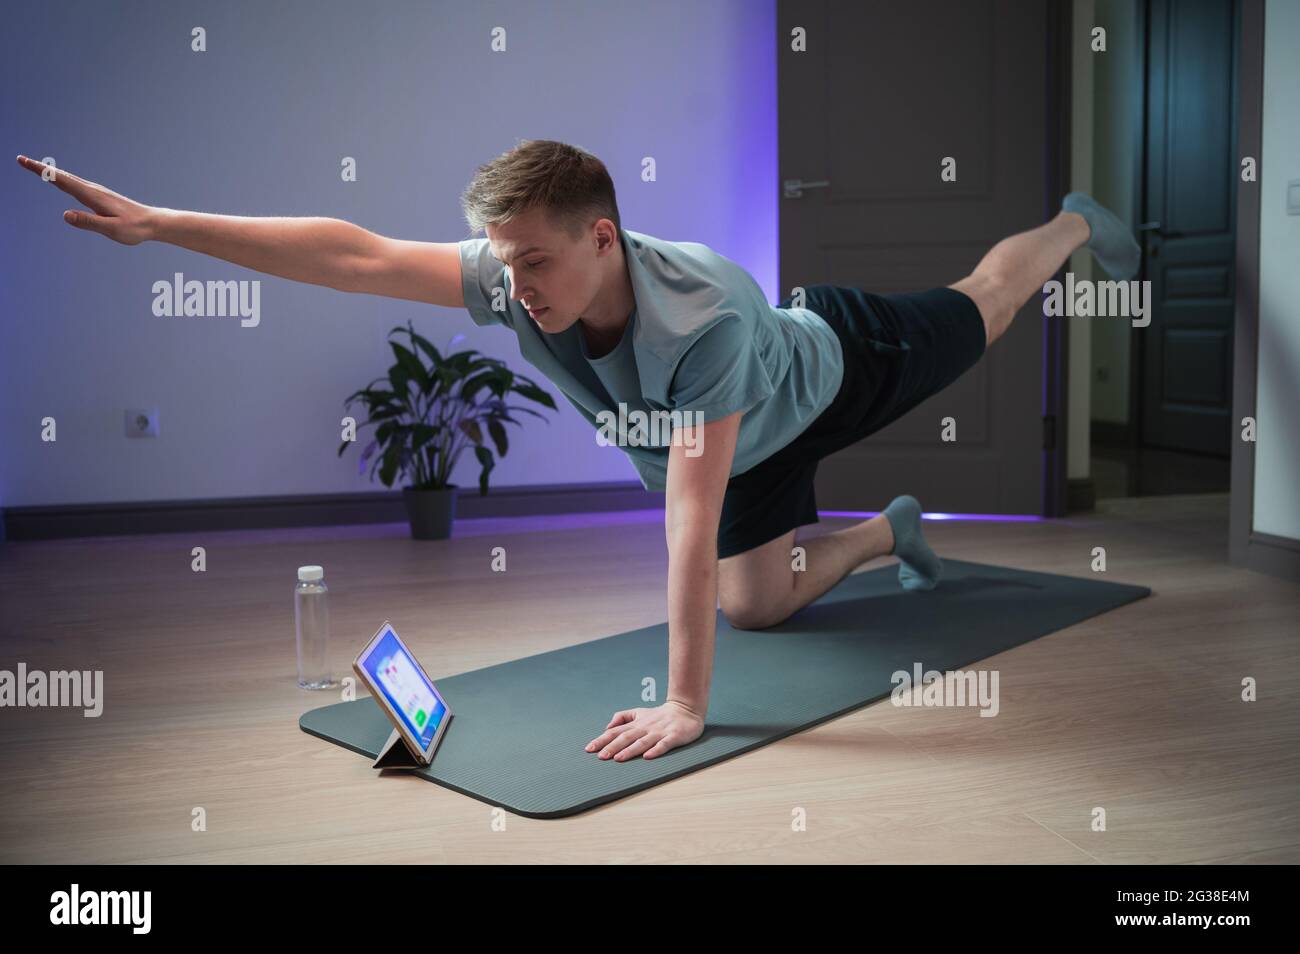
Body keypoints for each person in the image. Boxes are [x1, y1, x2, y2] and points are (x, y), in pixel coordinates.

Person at [15, 141, 1139, 764]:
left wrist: (686, 705)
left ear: (603, 237)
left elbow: (685, 521)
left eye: (537, 265)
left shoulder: (704, 322)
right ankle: (878, 535)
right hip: (747, 451)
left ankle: (1074, 226)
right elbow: (353, 254)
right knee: (756, 607)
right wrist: (164, 224)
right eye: (504, 266)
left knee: (984, 307)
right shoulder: (519, 277)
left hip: (833, 365)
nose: (516, 290)